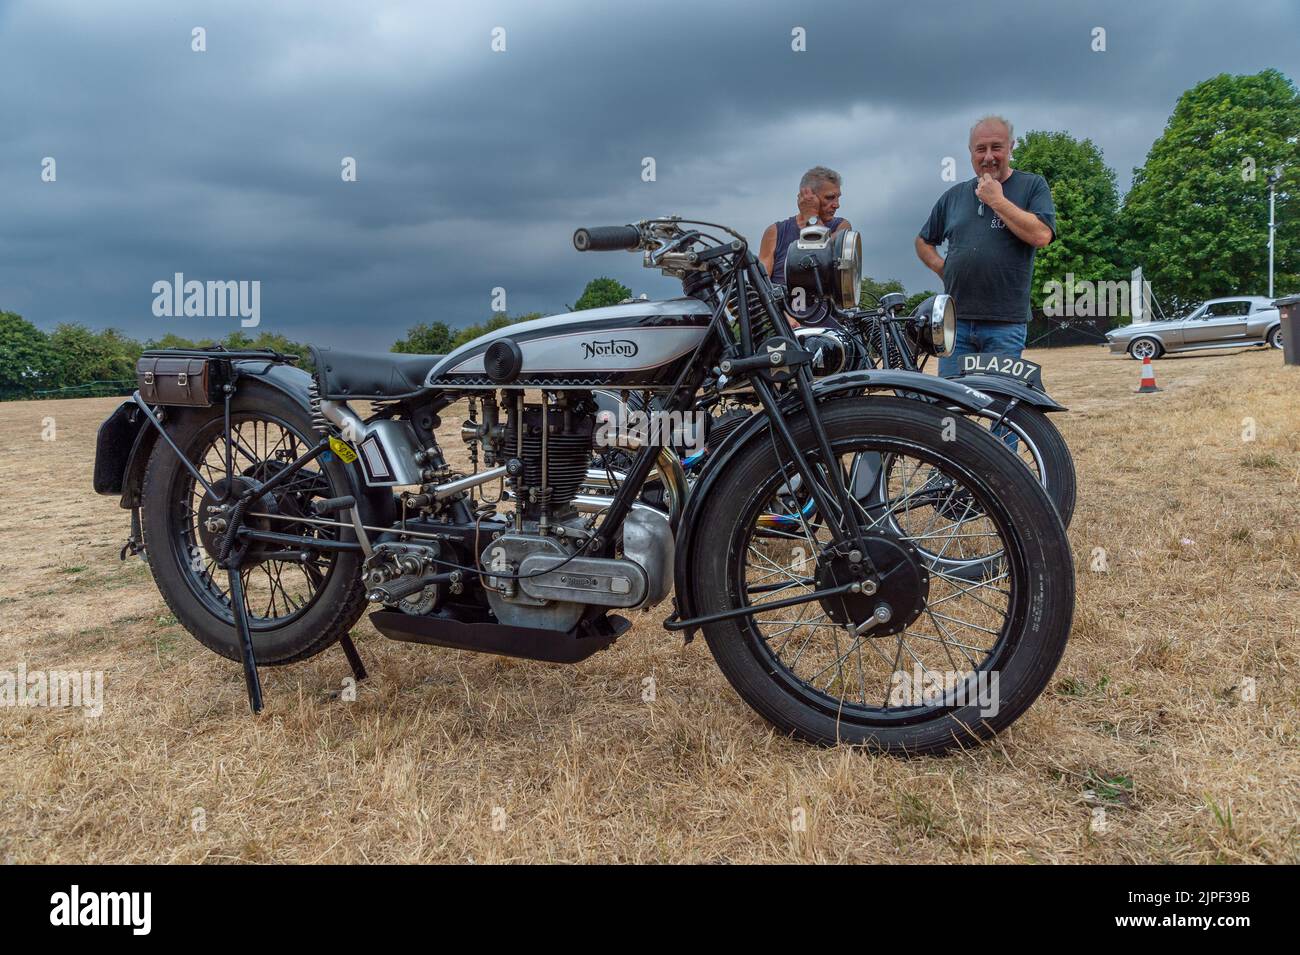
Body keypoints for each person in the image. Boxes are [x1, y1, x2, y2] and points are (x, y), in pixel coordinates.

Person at [915, 116, 1056, 377]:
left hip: (1004, 323)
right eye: (981, 149)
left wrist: (997, 201)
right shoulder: (953, 196)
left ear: (1011, 147)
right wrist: (942, 268)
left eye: (996, 147)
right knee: (953, 404)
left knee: (999, 403)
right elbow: (923, 241)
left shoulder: (1032, 185)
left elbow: (1041, 235)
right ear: (971, 152)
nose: (988, 156)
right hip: (955, 322)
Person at [759, 166, 852, 296]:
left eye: (838, 197)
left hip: (824, 313)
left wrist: (811, 217)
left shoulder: (841, 226)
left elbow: (821, 251)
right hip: (781, 313)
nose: (836, 204)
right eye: (830, 197)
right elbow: (760, 284)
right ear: (808, 196)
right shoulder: (775, 232)